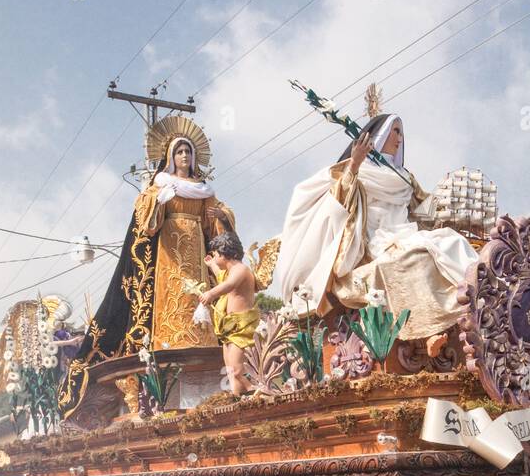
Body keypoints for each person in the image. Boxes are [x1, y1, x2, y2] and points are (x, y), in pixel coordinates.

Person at [58, 124, 236, 418]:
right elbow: (145, 225)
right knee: (172, 299)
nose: (183, 156)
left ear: (193, 158)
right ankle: (167, 343)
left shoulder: (205, 191)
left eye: (187, 152)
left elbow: (217, 224)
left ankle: (202, 346)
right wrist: (157, 202)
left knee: (199, 299)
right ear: (169, 156)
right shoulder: (161, 185)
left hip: (195, 251)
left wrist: (221, 217)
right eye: (179, 151)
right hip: (168, 254)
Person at [276, 114, 477, 346]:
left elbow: (424, 211)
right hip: (376, 242)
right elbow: (338, 202)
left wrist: (449, 203)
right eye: (396, 131)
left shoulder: (404, 176)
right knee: (416, 259)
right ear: (381, 134)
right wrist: (355, 164)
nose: (401, 138)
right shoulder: (358, 168)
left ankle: (474, 300)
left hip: (407, 233)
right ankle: (427, 334)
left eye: (402, 132)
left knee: (452, 241)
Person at [200, 231, 259, 399]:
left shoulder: (240, 269)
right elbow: (221, 276)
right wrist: (211, 264)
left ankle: (256, 390)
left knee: (238, 368)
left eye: (216, 254)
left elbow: (229, 284)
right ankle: (235, 395)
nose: (215, 257)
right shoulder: (230, 271)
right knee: (230, 370)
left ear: (225, 254)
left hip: (241, 326)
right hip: (229, 327)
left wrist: (210, 294)